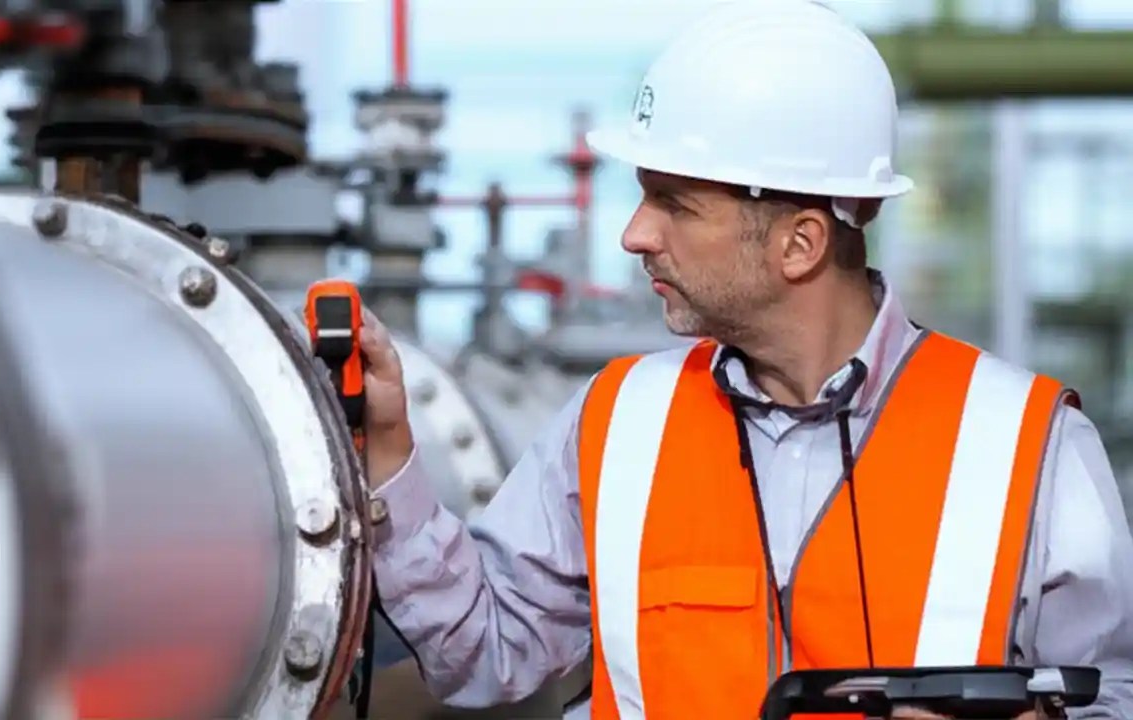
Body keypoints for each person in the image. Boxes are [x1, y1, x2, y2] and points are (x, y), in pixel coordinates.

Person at [349, 1, 1133, 718]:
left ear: (800, 244)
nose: (635, 234)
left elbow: (1112, 691)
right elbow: (486, 653)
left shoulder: (1026, 444)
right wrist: (389, 453)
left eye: (675, 204)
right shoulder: (618, 424)